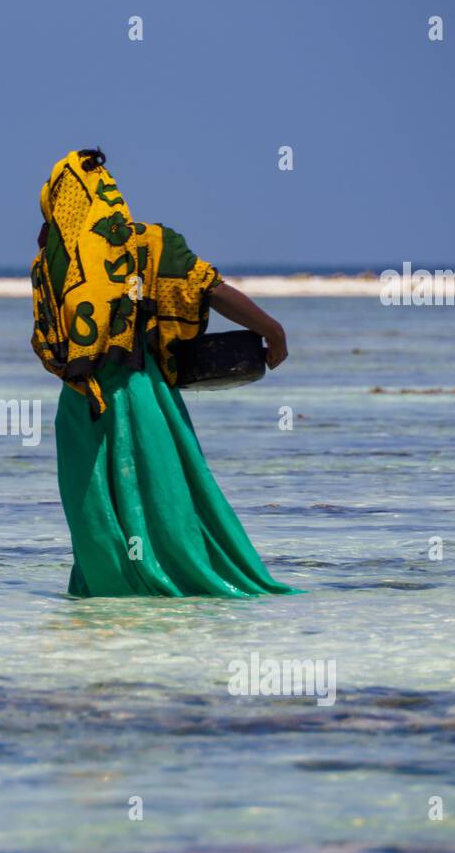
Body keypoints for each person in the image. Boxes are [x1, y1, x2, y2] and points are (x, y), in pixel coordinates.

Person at [31, 148, 300, 598]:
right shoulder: (149, 243)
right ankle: (182, 578)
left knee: (95, 505)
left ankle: (110, 591)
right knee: (164, 492)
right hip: (142, 392)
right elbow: (208, 288)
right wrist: (273, 331)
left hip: (81, 401)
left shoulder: (50, 263)